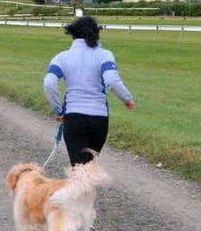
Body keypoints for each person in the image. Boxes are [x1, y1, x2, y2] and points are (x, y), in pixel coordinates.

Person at [43, 16, 135, 167]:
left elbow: (49, 83)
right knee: (89, 168)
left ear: (72, 34)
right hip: (99, 118)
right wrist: (127, 99)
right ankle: (86, 189)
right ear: (96, 33)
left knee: (79, 169)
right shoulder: (104, 54)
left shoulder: (61, 57)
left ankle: (79, 189)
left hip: (73, 117)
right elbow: (112, 81)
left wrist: (58, 110)